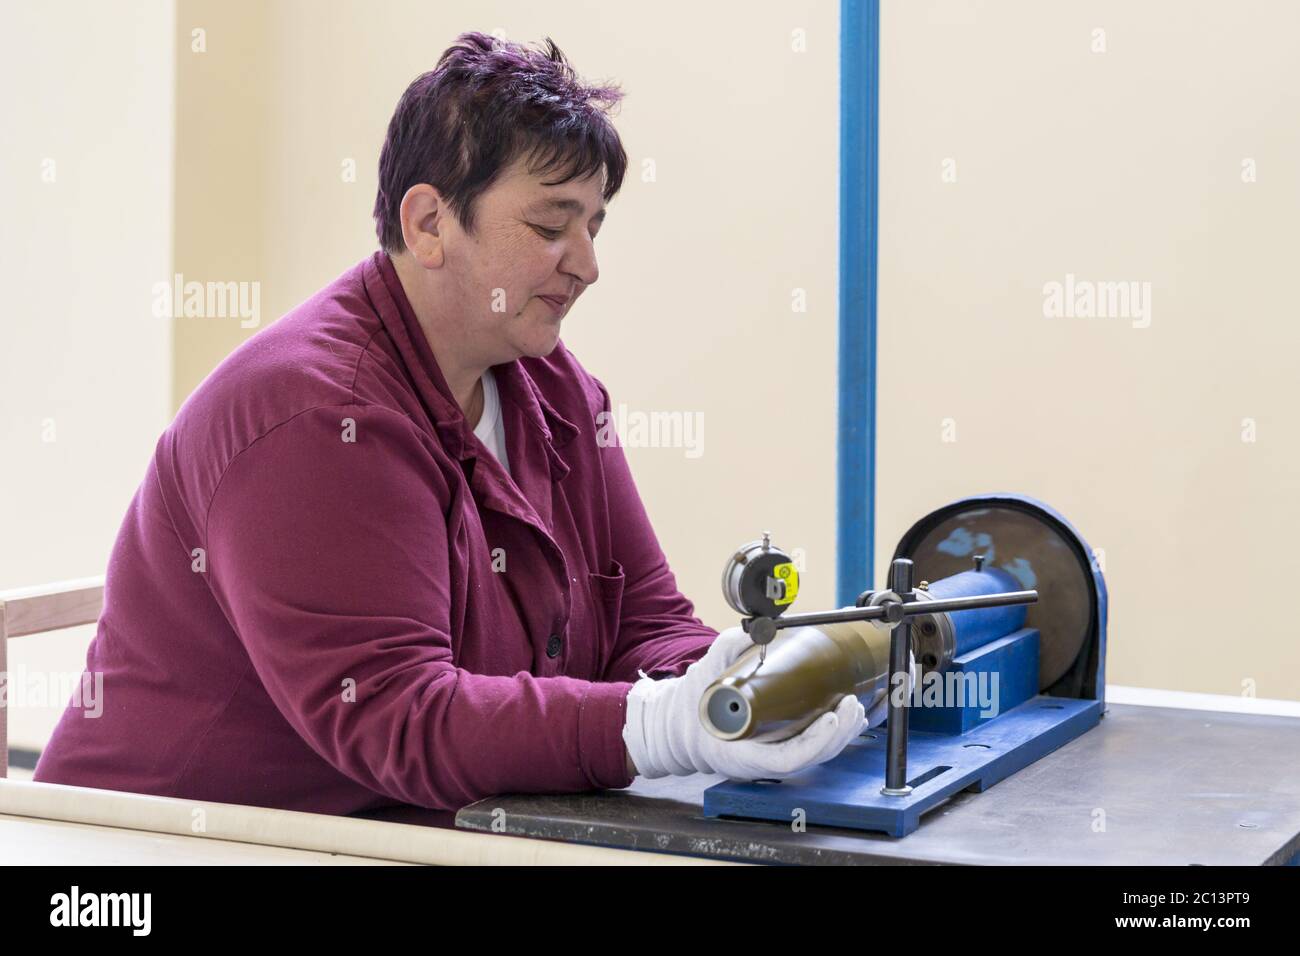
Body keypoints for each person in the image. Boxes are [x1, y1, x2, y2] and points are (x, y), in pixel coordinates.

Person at [34, 32, 865, 826]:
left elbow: (645, 626)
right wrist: (656, 726)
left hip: (400, 828)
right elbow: (398, 717)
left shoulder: (558, 391)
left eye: (594, 225)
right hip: (158, 850)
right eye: (550, 226)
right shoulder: (320, 419)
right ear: (429, 223)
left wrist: (745, 686)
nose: (586, 261)